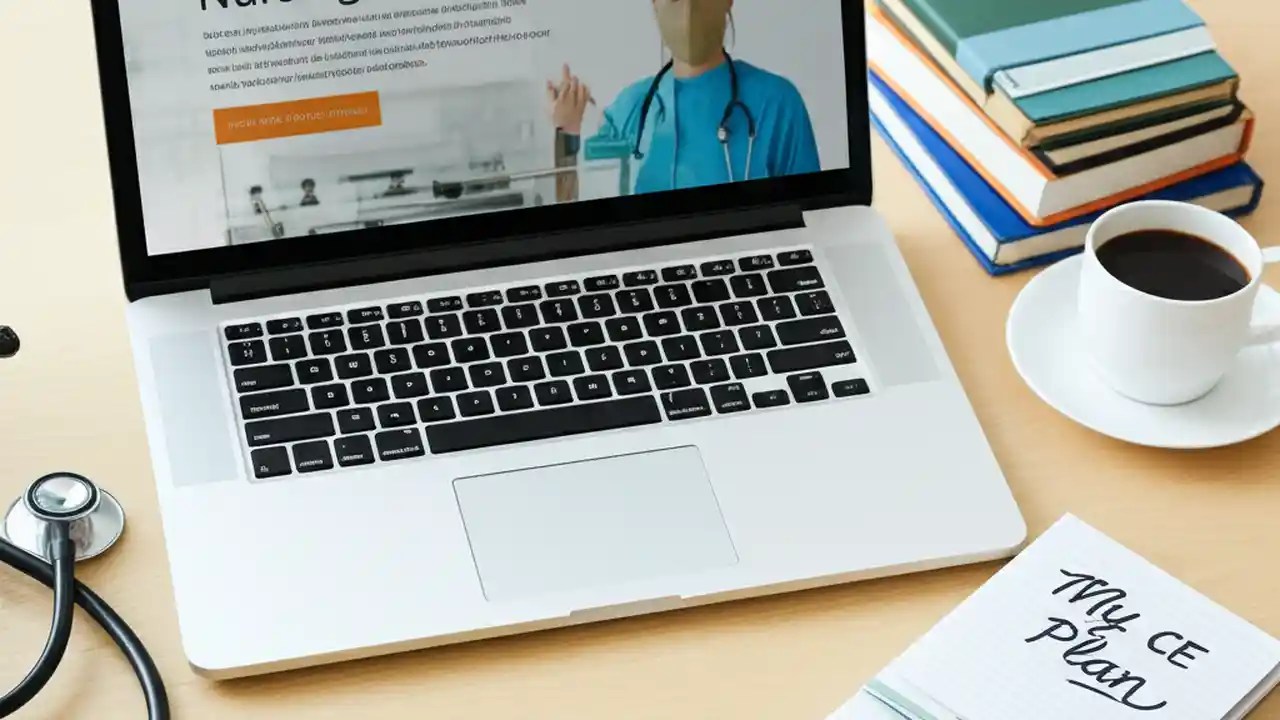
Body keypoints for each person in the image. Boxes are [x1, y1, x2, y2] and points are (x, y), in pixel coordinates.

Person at [547, 0, 820, 196]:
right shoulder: (629, 111)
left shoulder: (777, 104)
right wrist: (566, 132)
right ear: (654, 4)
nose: (688, 7)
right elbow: (577, 220)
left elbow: (813, 217)